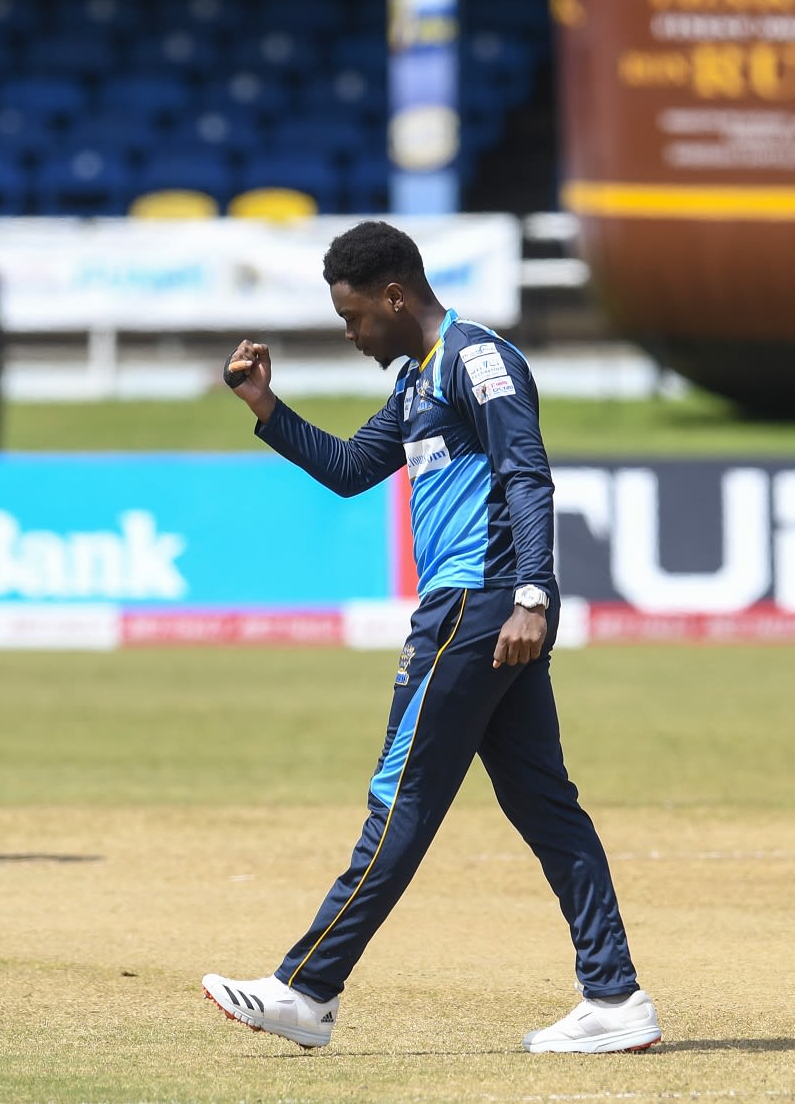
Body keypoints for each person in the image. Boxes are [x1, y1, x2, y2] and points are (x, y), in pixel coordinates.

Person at [201, 220, 661, 1054]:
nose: (350, 334)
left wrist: (533, 595)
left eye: (354, 318)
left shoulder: (478, 360)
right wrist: (264, 405)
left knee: (400, 795)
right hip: (482, 611)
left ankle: (308, 990)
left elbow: (527, 471)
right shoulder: (418, 384)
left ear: (395, 296)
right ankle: (616, 998)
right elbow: (347, 470)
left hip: (476, 607)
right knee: (547, 807)